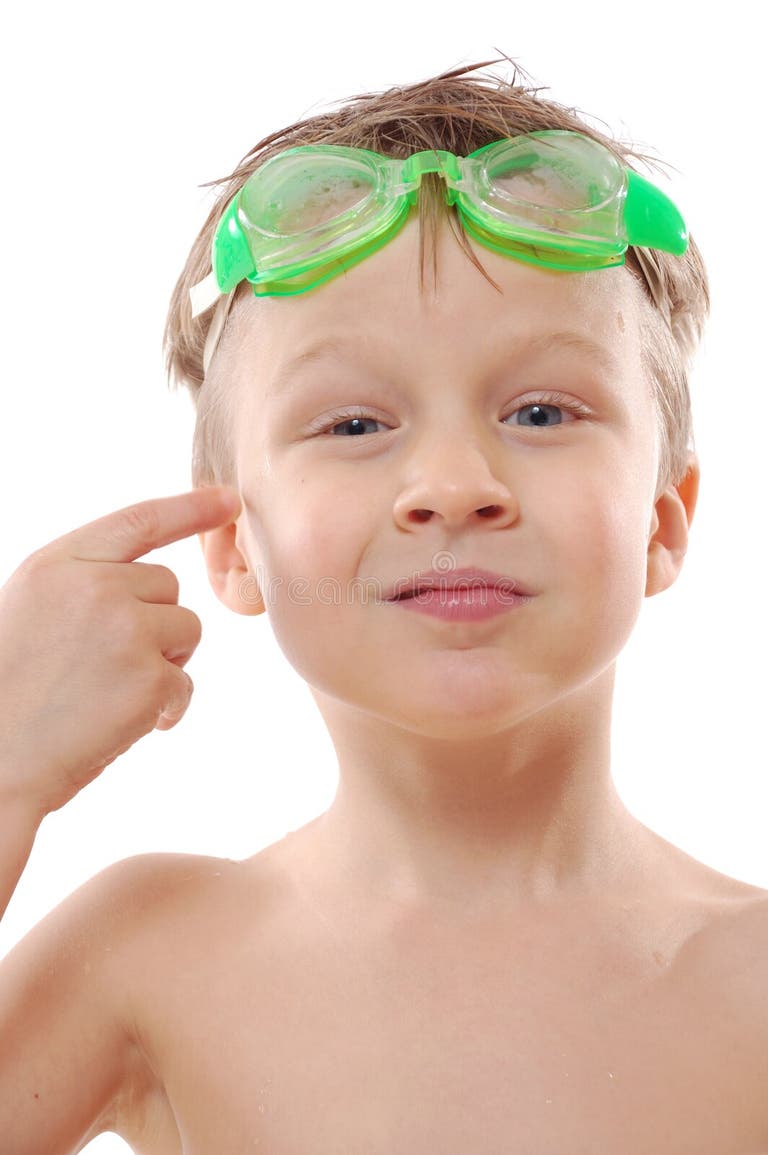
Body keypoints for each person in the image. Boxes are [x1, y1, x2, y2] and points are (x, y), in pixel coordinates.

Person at [1, 55, 766, 1153]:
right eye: (354, 426)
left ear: (663, 518)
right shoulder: (144, 958)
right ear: (233, 544)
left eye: (544, 411)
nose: (456, 484)